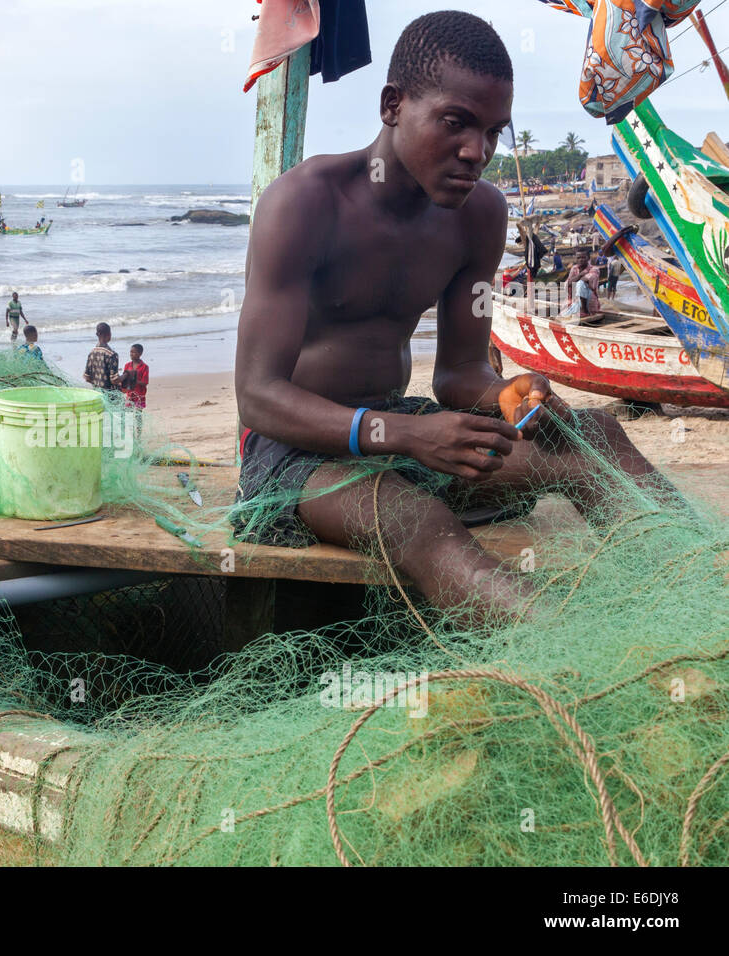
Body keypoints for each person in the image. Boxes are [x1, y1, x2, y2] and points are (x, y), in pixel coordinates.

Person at [233, 11, 678, 624]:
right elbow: (258, 398)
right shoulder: (305, 204)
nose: (478, 152)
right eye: (455, 123)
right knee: (421, 521)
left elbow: (460, 373)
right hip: (292, 454)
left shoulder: (477, 215)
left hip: (400, 433)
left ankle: (688, 596)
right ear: (393, 105)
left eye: (494, 131)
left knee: (596, 439)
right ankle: (567, 669)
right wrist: (407, 435)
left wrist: (511, 395)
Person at [120, 343, 150, 440]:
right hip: (130, 394)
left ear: (140, 353)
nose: (131, 354)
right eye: (130, 352)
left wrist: (134, 380)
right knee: (128, 414)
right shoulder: (127, 365)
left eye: (134, 352)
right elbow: (124, 381)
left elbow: (145, 382)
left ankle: (138, 435)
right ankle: (130, 434)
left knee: (138, 415)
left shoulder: (144, 367)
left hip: (140, 395)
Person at [83, 322, 120, 396]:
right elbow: (114, 380)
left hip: (97, 394)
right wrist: (126, 375)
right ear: (109, 334)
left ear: (97, 334)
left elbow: (87, 377)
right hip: (111, 396)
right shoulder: (112, 355)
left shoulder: (91, 353)